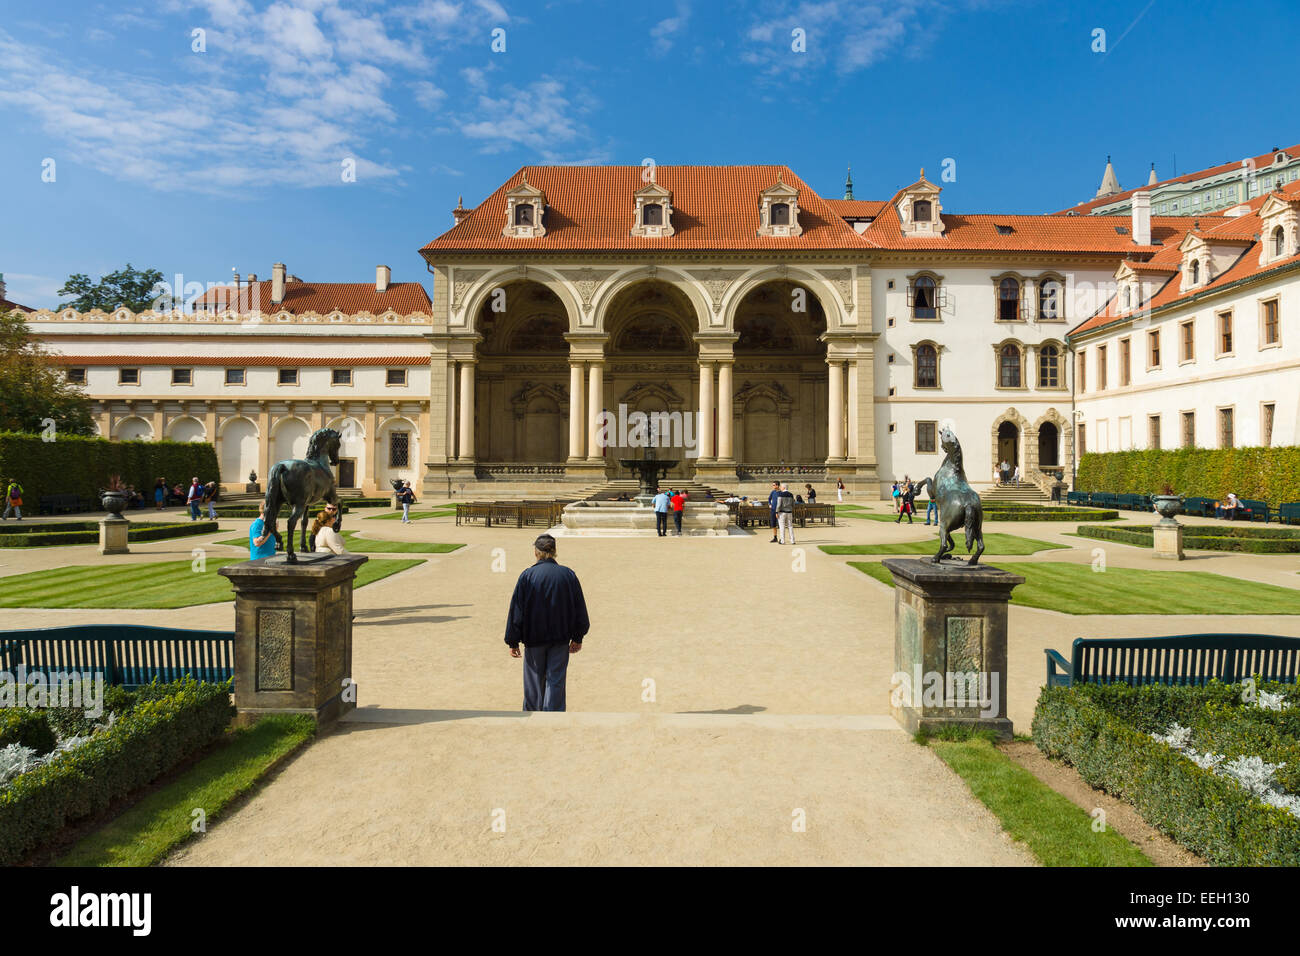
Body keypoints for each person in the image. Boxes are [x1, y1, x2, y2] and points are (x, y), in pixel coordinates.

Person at [504, 534, 590, 712]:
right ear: (554, 552)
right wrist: (578, 637)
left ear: (536, 552)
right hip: (560, 638)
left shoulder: (527, 575)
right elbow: (579, 608)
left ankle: (534, 715)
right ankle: (553, 715)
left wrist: (513, 640)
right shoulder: (568, 574)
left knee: (534, 682)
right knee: (556, 680)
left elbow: (517, 610)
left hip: (534, 638)